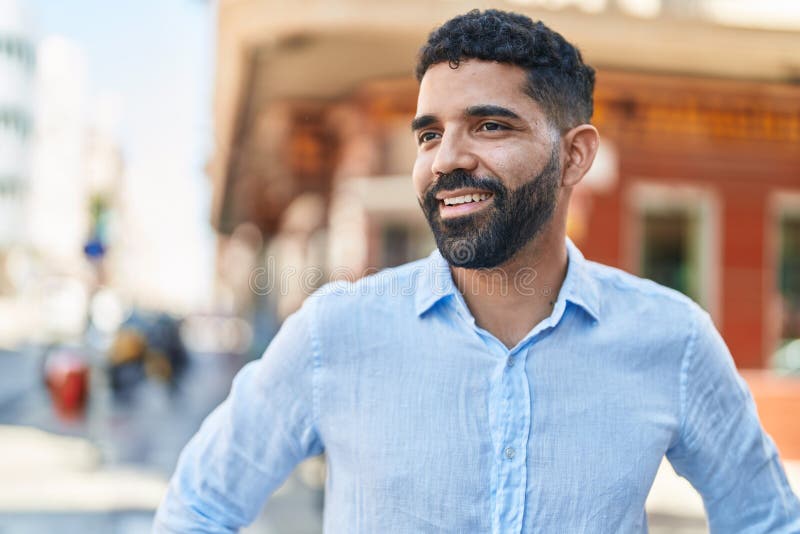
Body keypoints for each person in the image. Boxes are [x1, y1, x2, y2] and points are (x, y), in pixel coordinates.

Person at [154, 9, 800, 533]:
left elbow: (766, 520)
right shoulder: (335, 333)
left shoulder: (673, 341)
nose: (446, 160)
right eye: (429, 134)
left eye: (490, 126)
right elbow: (198, 510)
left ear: (574, 157)